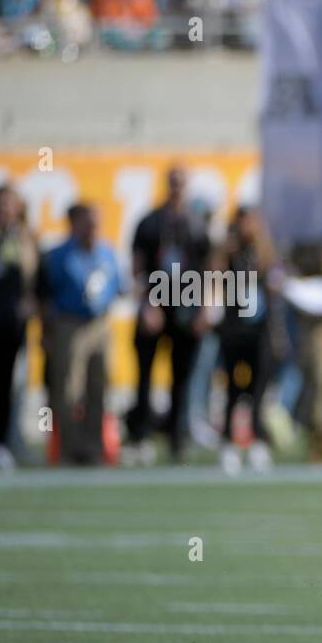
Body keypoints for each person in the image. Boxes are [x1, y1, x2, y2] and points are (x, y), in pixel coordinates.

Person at [127, 165, 211, 464]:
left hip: (185, 306)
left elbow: (207, 270)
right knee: (145, 376)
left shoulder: (197, 223)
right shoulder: (150, 222)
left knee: (182, 378)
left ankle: (177, 438)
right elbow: (137, 268)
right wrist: (147, 305)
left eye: (181, 182)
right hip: (155, 302)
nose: (177, 188)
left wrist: (203, 309)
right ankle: (140, 437)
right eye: (173, 182)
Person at [35, 202, 125, 465]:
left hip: (99, 324)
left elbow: (119, 286)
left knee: (98, 386)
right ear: (74, 224)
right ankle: (67, 448)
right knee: (67, 388)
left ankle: (93, 447)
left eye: (96, 222)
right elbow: (44, 295)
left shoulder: (107, 253)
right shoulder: (58, 255)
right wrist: (46, 330)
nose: (93, 228)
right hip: (69, 323)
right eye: (87, 222)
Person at [214, 205, 276, 473]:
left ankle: (258, 440)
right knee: (232, 388)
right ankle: (229, 442)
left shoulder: (263, 252)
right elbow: (213, 278)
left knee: (259, 388)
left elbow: (275, 279)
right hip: (234, 329)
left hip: (258, 330)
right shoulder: (228, 253)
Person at [0, 185, 34, 470]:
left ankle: (4, 441)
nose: (5, 209)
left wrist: (29, 302)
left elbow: (34, 279)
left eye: (10, 204)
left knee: (9, 385)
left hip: (11, 325)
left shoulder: (24, 238)